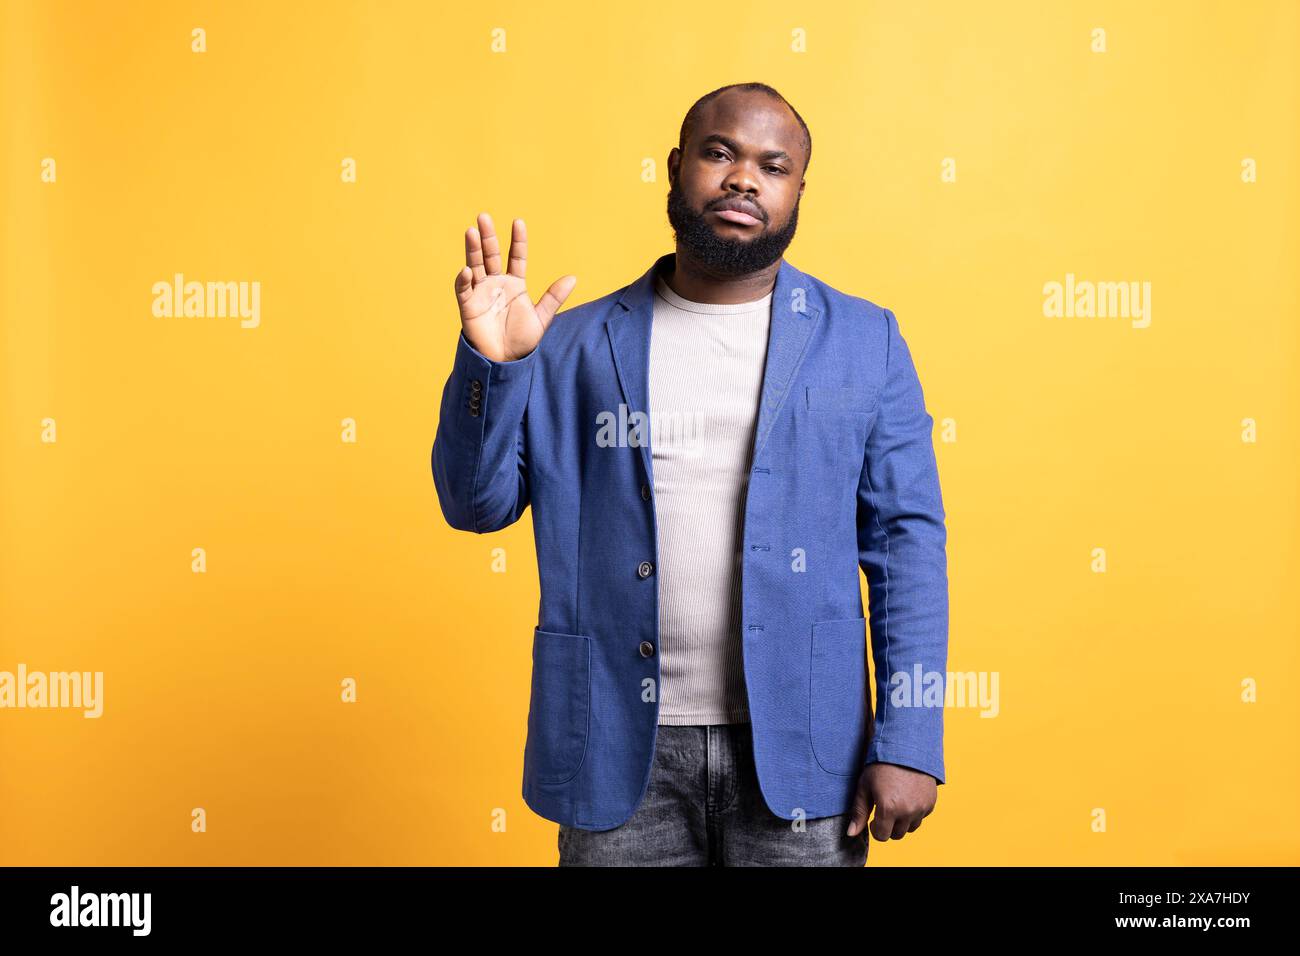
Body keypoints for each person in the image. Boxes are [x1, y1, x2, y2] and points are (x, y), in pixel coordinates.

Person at [432, 82, 949, 866]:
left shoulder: (865, 341)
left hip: (807, 753)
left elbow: (907, 544)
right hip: (613, 749)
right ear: (676, 169)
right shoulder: (568, 344)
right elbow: (476, 505)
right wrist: (494, 368)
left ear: (798, 191)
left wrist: (909, 737)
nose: (744, 178)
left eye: (772, 167)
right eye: (720, 154)